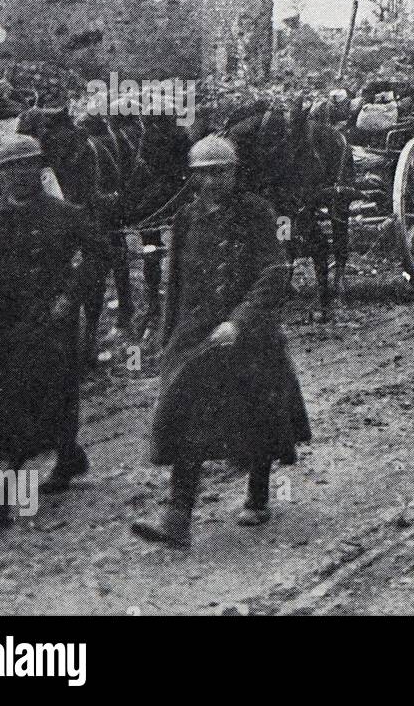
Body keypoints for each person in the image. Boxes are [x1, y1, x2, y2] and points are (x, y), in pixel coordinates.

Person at [131, 136, 310, 549]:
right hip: (197, 334)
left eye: (220, 172)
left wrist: (240, 321)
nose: (211, 181)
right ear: (193, 178)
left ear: (234, 172)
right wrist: (167, 336)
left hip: (247, 333)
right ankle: (177, 518)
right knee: (186, 412)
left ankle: (259, 494)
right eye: (203, 174)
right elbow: (176, 283)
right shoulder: (186, 218)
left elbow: (273, 273)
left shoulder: (256, 214)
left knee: (258, 410)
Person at [0, 132, 109, 524]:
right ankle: (6, 497)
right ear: (1, 173)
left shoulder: (64, 213)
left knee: (57, 392)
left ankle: (64, 457)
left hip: (54, 321)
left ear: (41, 169)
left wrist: (70, 297)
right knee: (10, 403)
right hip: (4, 323)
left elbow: (98, 254)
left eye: (29, 165)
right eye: (12, 167)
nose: (21, 173)